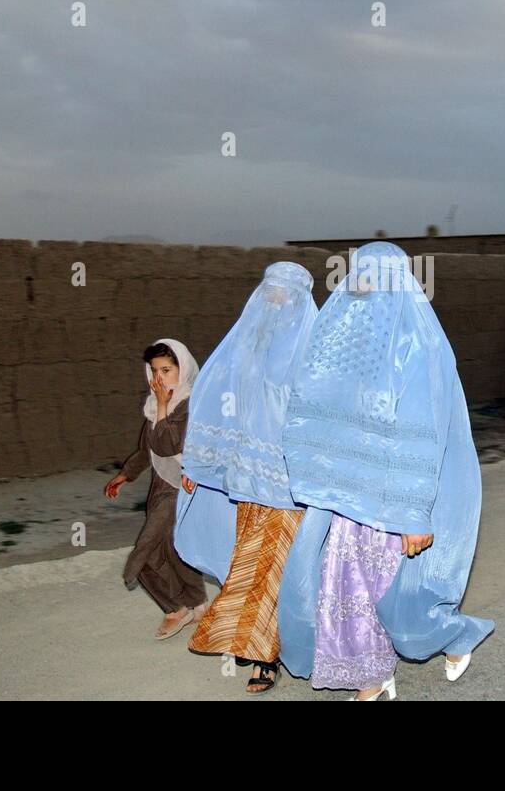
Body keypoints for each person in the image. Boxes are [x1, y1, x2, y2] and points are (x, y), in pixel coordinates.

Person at [277, 241, 493, 700]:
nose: (364, 286)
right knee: (344, 589)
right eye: (360, 275)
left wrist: (413, 512)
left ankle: (454, 635)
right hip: (348, 497)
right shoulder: (342, 339)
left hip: (394, 497)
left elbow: (424, 431)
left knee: (396, 596)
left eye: (375, 276)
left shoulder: (418, 346)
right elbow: (312, 410)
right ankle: (373, 676)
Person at [176, 262, 319, 693]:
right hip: (247, 483)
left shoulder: (313, 352)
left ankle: (264, 654)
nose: (275, 302)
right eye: (269, 292)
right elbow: (215, 406)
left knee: (275, 568)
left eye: (286, 295)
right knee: (251, 564)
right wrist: (197, 465)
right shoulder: (243, 348)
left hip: (290, 486)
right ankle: (260, 645)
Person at [105, 338, 208, 640]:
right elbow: (146, 448)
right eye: (154, 371)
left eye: (166, 370)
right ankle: (197, 603)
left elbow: (166, 443)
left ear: (183, 368)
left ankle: (174, 608)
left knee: (144, 551)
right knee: (171, 550)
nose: (159, 379)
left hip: (181, 489)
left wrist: (163, 406)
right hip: (159, 489)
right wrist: (125, 475)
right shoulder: (155, 407)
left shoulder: (191, 405)